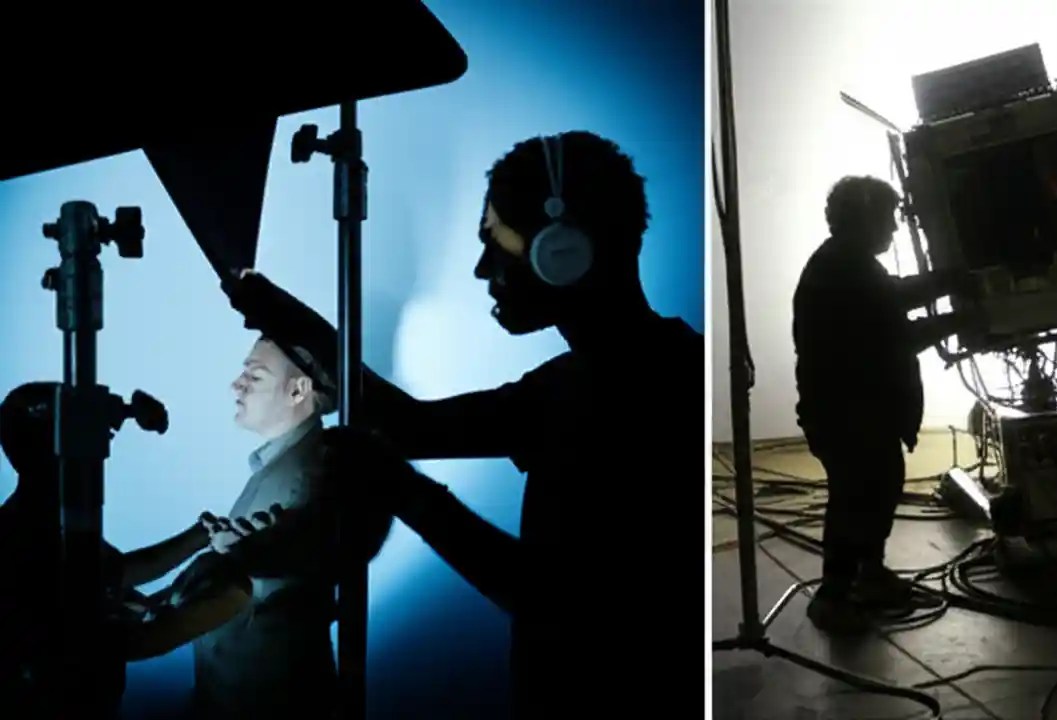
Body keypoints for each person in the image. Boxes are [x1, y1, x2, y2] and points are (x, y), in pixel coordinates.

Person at [221, 130, 704, 718]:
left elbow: (562, 598)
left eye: (494, 244)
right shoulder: (575, 381)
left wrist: (404, 490)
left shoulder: (660, 391)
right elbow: (411, 425)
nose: (481, 269)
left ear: (562, 250)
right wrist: (289, 318)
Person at [792, 175, 979, 633]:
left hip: (856, 410)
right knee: (856, 498)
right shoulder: (843, 268)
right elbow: (895, 334)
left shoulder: (844, 261)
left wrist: (951, 282)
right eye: (888, 220)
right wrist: (965, 315)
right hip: (848, 413)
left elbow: (892, 296)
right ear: (865, 218)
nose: (894, 231)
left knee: (877, 488)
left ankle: (869, 574)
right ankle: (833, 595)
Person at [185, 334, 391, 719]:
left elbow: (308, 553)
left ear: (298, 389)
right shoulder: (285, 466)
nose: (236, 384)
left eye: (255, 375)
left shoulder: (311, 474)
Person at [0, 382, 221, 716]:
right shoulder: (32, 530)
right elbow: (108, 600)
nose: (103, 457)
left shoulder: (46, 517)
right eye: (97, 444)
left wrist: (198, 537)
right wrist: (223, 598)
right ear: (60, 447)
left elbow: (113, 576)